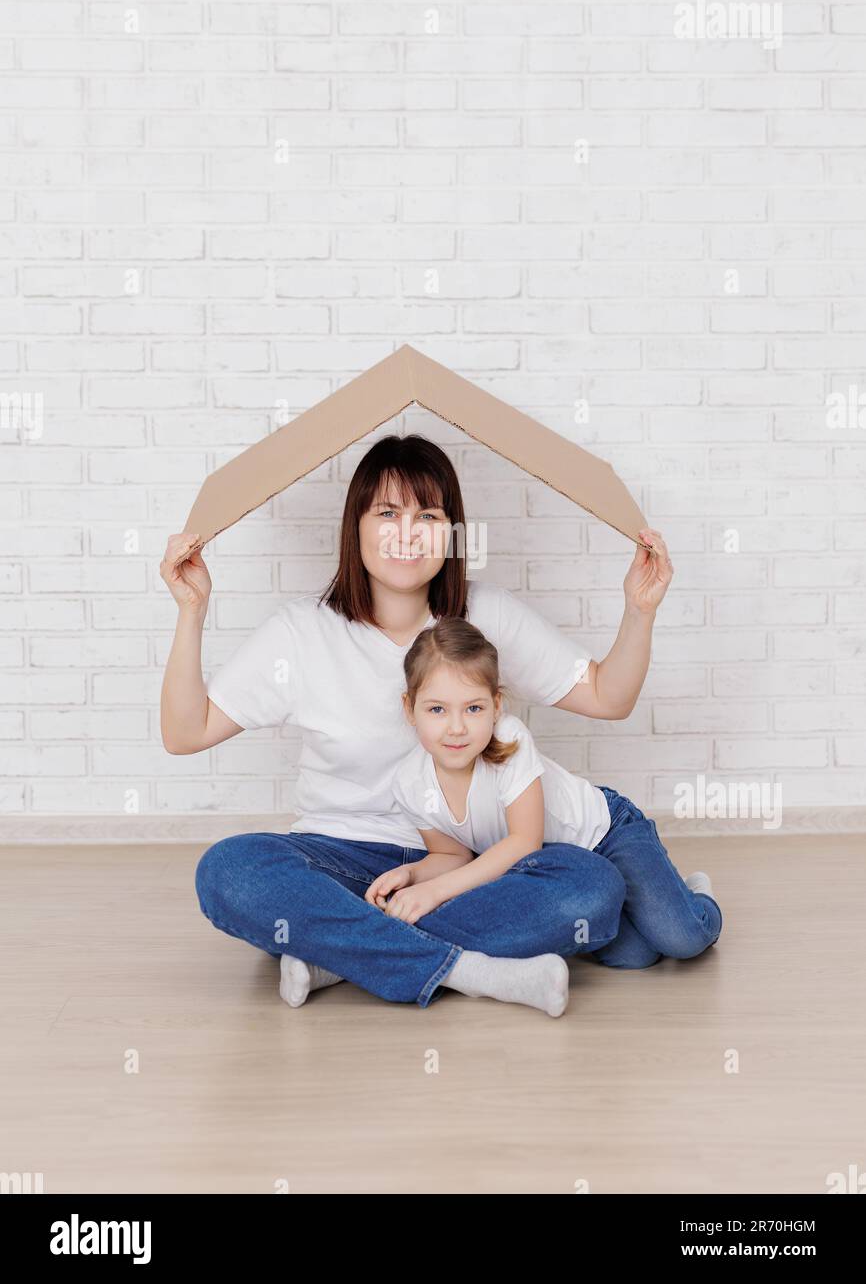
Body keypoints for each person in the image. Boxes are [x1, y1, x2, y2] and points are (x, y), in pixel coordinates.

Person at [160, 432, 673, 1015]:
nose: (406, 533)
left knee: (591, 888)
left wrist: (640, 610)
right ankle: (472, 970)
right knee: (231, 870)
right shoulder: (300, 632)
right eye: (386, 513)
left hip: (463, 866)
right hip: (340, 861)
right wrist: (191, 610)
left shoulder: (486, 616)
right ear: (355, 526)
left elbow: (609, 697)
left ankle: (341, 955)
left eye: (427, 515)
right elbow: (185, 732)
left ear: (452, 533)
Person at [366, 617, 722, 975]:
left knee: (683, 938)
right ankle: (636, 903)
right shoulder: (410, 782)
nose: (457, 727)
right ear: (409, 708)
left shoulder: (509, 740)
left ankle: (695, 896)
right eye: (437, 709)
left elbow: (524, 843)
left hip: (606, 834)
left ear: (496, 706)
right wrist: (413, 875)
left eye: (473, 708)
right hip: (561, 867)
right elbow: (452, 854)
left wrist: (434, 892)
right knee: (634, 956)